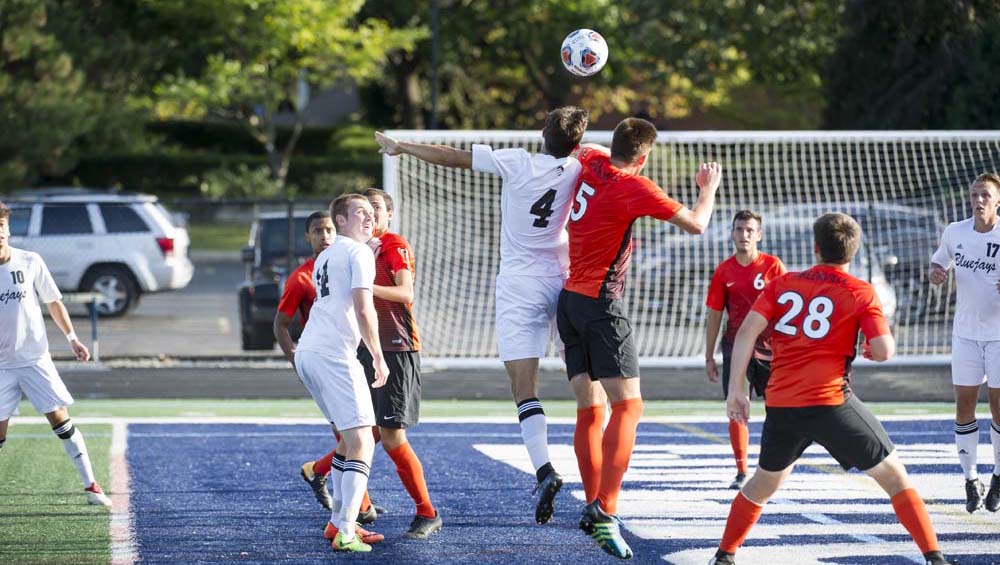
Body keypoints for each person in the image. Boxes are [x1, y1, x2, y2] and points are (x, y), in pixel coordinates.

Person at [374, 106, 590, 525]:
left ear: (542, 133)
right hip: (564, 281)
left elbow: (451, 156)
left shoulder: (516, 161)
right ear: (576, 142)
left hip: (519, 285)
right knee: (584, 382)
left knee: (524, 388)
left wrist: (402, 147)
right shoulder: (581, 165)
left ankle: (544, 469)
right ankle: (597, 486)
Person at [709, 213, 948, 565]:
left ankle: (724, 555)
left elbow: (745, 333)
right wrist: (869, 347)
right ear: (853, 250)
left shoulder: (783, 283)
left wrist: (735, 391)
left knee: (762, 484)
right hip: (831, 402)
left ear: (815, 247)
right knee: (895, 477)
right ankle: (934, 557)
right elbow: (884, 350)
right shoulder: (860, 291)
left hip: (783, 404)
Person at [559, 117, 721, 559]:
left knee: (590, 408)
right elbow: (697, 224)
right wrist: (707, 189)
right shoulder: (635, 186)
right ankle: (605, 509)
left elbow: (585, 147)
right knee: (629, 406)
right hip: (600, 304)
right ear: (644, 156)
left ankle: (592, 505)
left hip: (568, 300)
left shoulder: (591, 160)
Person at [272, 211, 382, 538]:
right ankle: (348, 526)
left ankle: (340, 518)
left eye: (328, 229)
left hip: (322, 354)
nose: (324, 235)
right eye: (318, 231)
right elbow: (362, 307)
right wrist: (378, 355)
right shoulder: (313, 271)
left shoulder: (327, 261)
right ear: (308, 236)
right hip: (331, 356)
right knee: (363, 438)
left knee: (350, 439)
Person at [0, 200, 111, 507]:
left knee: (60, 419)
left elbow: (53, 301)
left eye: (1, 226)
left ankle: (92, 486)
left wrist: (72, 338)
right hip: (1, 366)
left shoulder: (30, 261)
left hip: (35, 360)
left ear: (7, 229)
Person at [355, 187, 442, 539]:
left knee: (390, 436)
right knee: (357, 431)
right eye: (365, 208)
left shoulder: (393, 244)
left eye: (377, 208)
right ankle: (355, 507)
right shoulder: (358, 249)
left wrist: (364, 286)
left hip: (395, 347)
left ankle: (427, 512)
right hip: (364, 348)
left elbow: (406, 293)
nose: (371, 214)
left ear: (389, 214)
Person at [929, 171, 1000, 514]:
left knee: (998, 408)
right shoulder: (955, 232)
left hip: (999, 335)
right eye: (975, 194)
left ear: (998, 201)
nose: (978, 200)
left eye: (985, 195)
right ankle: (971, 479)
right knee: (964, 406)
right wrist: (936, 273)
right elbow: (938, 261)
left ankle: (998, 476)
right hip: (965, 334)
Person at [705, 210, 786, 489]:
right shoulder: (723, 271)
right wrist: (709, 356)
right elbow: (715, 314)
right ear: (732, 233)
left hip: (769, 349)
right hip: (734, 348)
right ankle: (741, 471)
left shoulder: (774, 266)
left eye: (750, 230)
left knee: (778, 409)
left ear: (759, 235)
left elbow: (786, 309)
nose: (744, 235)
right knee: (737, 406)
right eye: (739, 229)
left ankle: (773, 466)